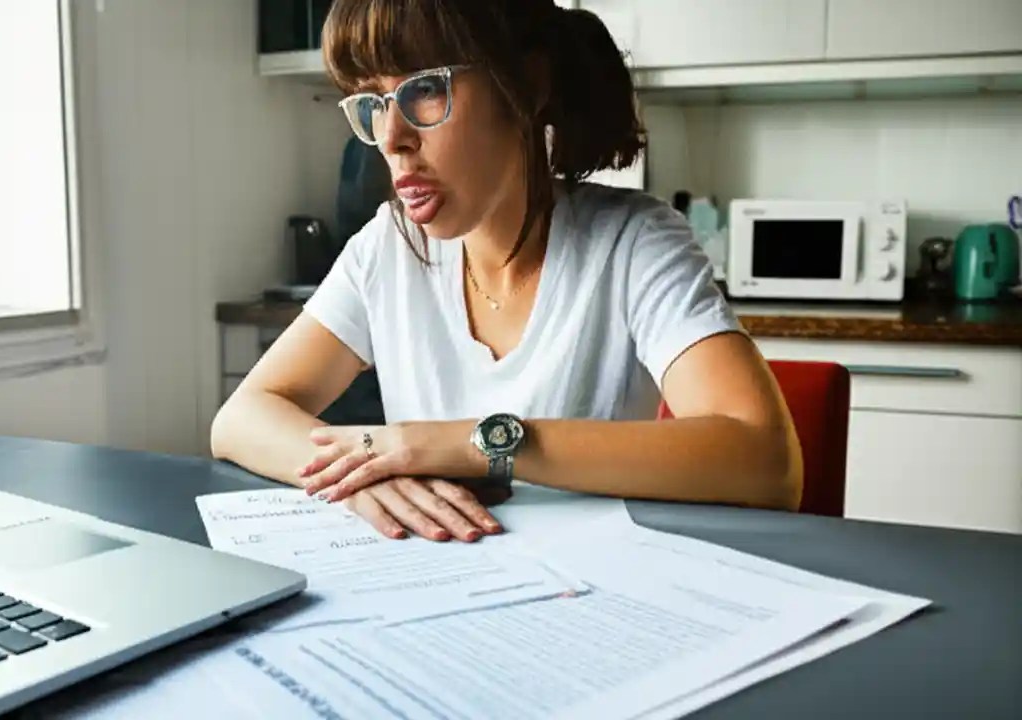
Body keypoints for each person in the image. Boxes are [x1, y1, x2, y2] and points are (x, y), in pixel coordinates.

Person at [212, 0, 802, 543]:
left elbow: (765, 460)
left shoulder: (633, 243)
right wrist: (367, 473)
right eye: (372, 102)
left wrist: (460, 444)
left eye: (424, 89)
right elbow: (242, 417)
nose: (392, 138)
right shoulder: (387, 248)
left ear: (527, 86)